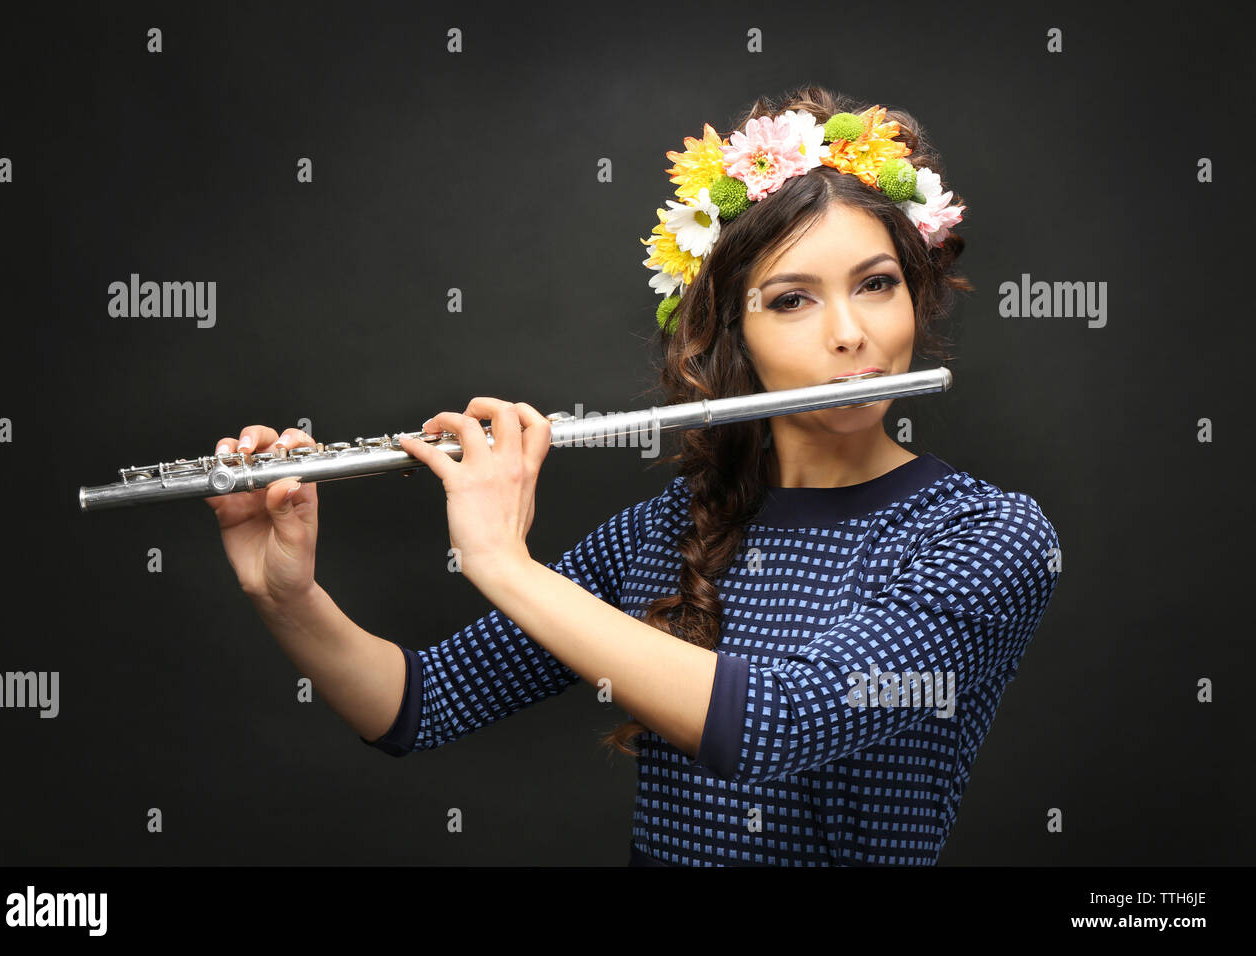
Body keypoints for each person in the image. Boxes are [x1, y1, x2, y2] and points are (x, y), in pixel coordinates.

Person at [206, 85, 1061, 866]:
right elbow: (416, 706)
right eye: (792, 299)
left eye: (876, 285)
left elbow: (776, 724)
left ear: (916, 295)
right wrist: (287, 597)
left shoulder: (987, 537)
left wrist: (502, 562)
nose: (848, 334)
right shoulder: (665, 529)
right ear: (732, 334)